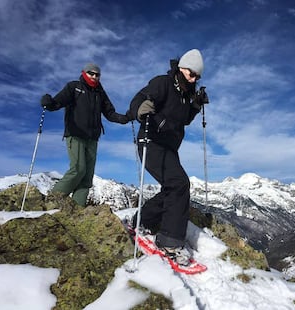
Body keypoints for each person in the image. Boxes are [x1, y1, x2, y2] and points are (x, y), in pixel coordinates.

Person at [126, 49, 209, 266]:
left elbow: (185, 120)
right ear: (182, 68)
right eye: (192, 74)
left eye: (197, 77)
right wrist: (140, 109)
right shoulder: (162, 83)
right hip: (150, 141)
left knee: (172, 187)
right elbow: (139, 99)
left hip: (169, 147)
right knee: (179, 183)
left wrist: (195, 105)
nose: (194, 79)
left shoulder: (186, 94)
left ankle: (141, 221)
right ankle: (169, 241)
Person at [40, 63, 129, 206]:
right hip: (75, 134)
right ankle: (52, 203)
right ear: (84, 73)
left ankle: (77, 210)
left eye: (97, 74)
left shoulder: (99, 92)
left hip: (92, 138)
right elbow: (57, 102)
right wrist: (49, 103)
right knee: (78, 169)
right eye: (90, 73)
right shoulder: (74, 87)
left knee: (87, 177)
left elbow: (109, 112)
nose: (94, 76)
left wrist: (124, 118)